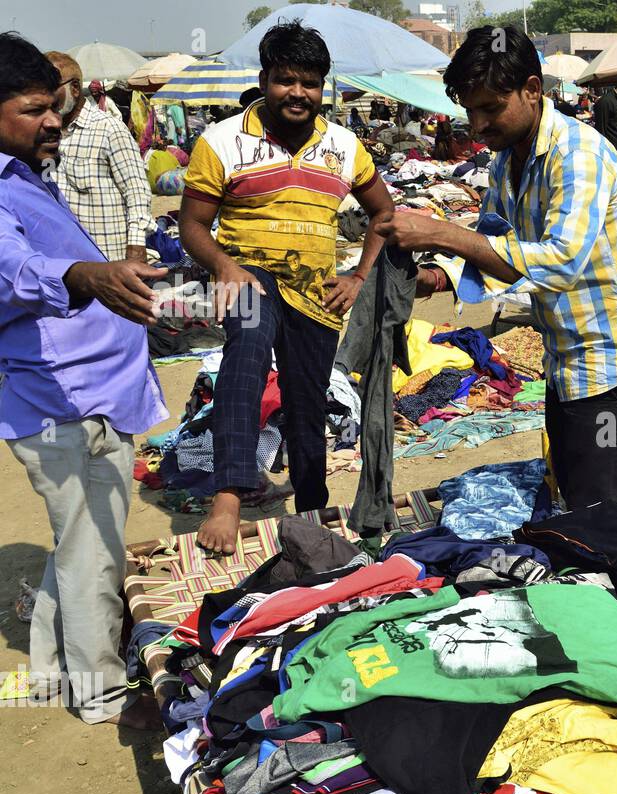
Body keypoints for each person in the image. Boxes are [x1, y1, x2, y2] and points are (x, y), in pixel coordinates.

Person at [377, 25, 617, 510]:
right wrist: (430, 278)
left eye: (490, 108)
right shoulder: (507, 160)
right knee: (573, 489)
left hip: (608, 367)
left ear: (531, 89)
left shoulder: (578, 155)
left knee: (600, 509)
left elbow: (558, 261)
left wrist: (442, 233)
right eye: (470, 110)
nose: (478, 125)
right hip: (564, 361)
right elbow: (498, 243)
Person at [1, 31, 170, 728]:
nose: (52, 121)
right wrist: (82, 275)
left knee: (78, 545)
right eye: (36, 109)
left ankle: (49, 671)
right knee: (92, 551)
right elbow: (11, 268)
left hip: (94, 389)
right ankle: (100, 695)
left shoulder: (21, 173)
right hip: (60, 402)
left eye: (56, 105)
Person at [177, 20, 396, 555]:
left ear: (324, 87)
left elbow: (384, 213)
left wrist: (359, 275)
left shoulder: (345, 147)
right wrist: (224, 267)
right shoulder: (222, 141)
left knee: (306, 400)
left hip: (315, 291)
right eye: (285, 80)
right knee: (244, 364)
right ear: (264, 79)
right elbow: (191, 226)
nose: (298, 93)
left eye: (310, 82)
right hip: (248, 276)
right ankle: (228, 496)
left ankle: (311, 504)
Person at [42, 52, 151, 263]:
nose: (45, 98)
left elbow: (137, 191)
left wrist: (137, 244)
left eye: (50, 89)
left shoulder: (109, 129)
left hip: (109, 256)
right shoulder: (44, 135)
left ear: (74, 88)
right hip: (66, 258)